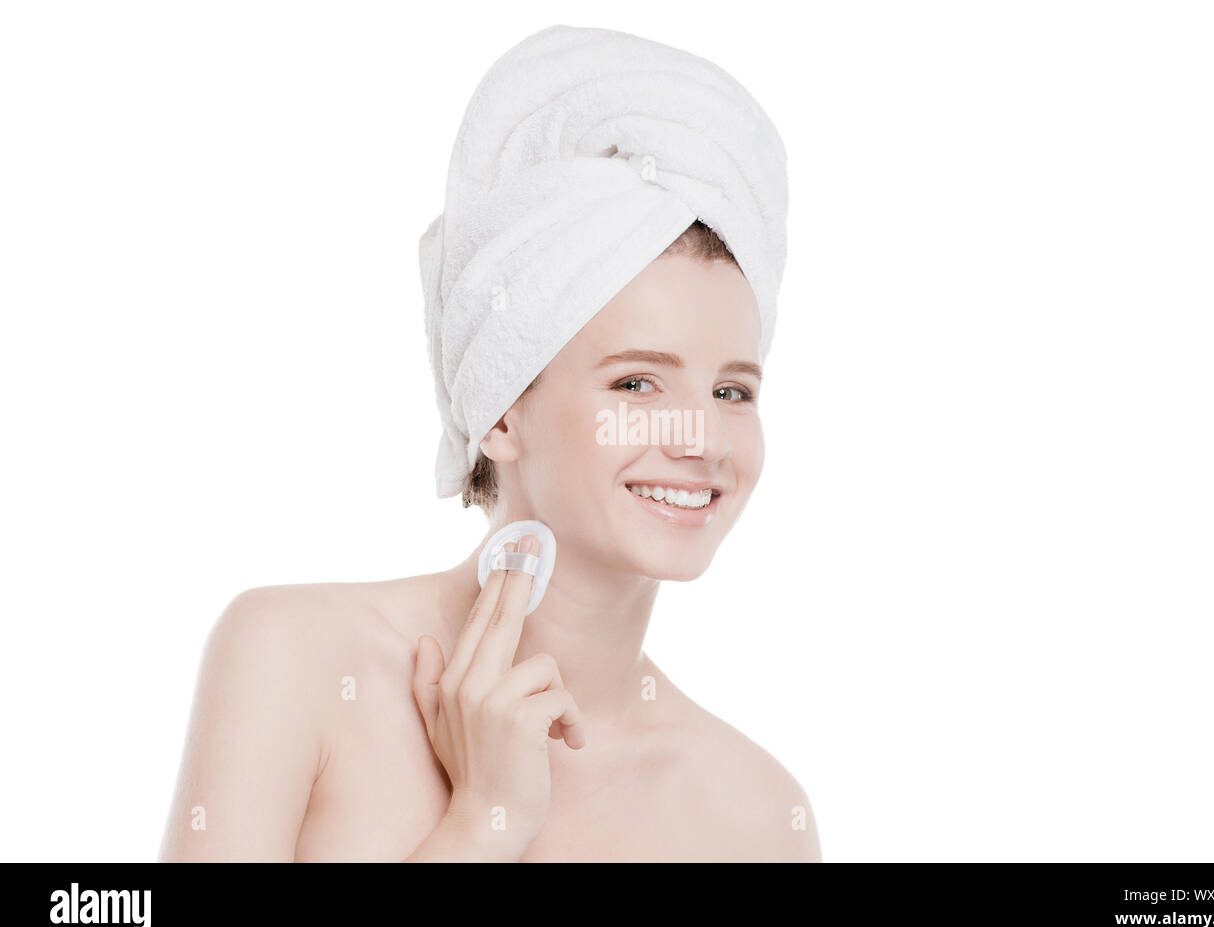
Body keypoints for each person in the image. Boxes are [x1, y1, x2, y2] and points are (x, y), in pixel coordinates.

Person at [160, 26, 819, 862]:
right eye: (636, 383)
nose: (701, 439)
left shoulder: (755, 819)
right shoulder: (291, 658)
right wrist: (485, 819)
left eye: (732, 391)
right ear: (501, 411)